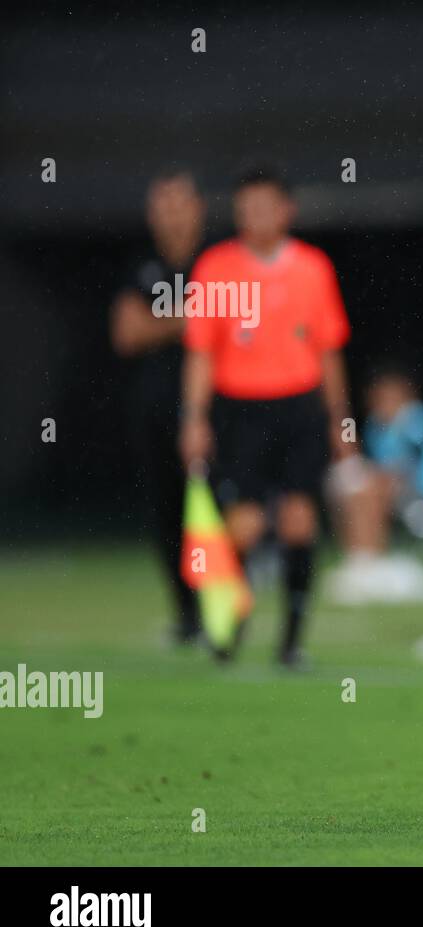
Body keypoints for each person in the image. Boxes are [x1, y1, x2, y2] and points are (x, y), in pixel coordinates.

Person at [179, 166, 353, 669]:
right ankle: (228, 619)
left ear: (285, 210)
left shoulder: (313, 267)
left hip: (299, 407)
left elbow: (328, 350)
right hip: (241, 412)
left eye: (262, 206)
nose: (252, 216)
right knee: (245, 525)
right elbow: (201, 352)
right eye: (244, 208)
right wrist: (194, 417)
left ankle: (292, 642)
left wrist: (340, 419)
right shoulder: (215, 267)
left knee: (300, 522)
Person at [110, 170, 206, 646]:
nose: (169, 214)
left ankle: (224, 603)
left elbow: (234, 324)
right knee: (167, 511)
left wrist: (164, 321)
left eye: (178, 203)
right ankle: (188, 613)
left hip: (213, 409)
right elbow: (127, 334)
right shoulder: (141, 266)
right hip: (154, 407)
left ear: (198, 209)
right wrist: (187, 320)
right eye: (161, 205)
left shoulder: (218, 260)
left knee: (216, 506)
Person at [325, 367, 423, 604]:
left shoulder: (416, 420)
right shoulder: (377, 426)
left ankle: (368, 557)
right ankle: (361, 557)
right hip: (405, 490)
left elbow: (407, 467)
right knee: (351, 486)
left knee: (369, 490)